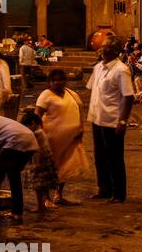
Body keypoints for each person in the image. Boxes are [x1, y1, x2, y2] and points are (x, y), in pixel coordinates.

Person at [87, 33, 135, 203]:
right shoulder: (99, 67)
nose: (103, 51)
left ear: (115, 51)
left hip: (112, 120)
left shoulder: (121, 70)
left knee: (114, 157)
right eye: (102, 47)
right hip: (97, 118)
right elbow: (92, 89)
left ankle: (119, 193)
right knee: (100, 156)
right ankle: (104, 189)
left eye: (107, 48)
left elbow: (128, 96)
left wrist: (123, 120)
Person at [34, 68, 86, 205]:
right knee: (47, 168)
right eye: (54, 80)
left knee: (64, 167)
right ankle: (46, 198)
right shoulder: (45, 95)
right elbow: (37, 114)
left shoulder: (71, 94)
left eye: (60, 80)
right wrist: (38, 133)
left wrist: (81, 127)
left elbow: (79, 110)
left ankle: (59, 195)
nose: (58, 82)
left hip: (70, 138)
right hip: (50, 138)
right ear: (50, 82)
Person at [20, 110, 59, 212]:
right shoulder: (40, 131)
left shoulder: (37, 133)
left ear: (32, 123)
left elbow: (36, 150)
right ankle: (44, 202)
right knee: (43, 184)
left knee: (37, 185)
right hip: (46, 160)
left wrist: (34, 164)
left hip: (40, 162)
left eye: (27, 126)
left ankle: (39, 206)